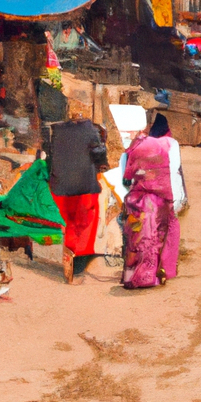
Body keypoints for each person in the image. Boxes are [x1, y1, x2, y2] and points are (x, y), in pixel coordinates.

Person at [121, 113, 183, 289]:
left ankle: (141, 277)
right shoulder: (168, 145)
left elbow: (127, 177)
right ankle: (164, 270)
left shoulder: (137, 149)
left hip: (141, 199)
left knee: (141, 239)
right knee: (163, 234)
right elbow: (173, 170)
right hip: (165, 196)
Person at [47, 116, 108, 283]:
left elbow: (49, 157)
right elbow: (99, 154)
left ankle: (70, 254)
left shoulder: (57, 130)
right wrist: (103, 164)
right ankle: (78, 262)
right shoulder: (91, 130)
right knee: (85, 223)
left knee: (68, 223)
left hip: (60, 186)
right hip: (84, 186)